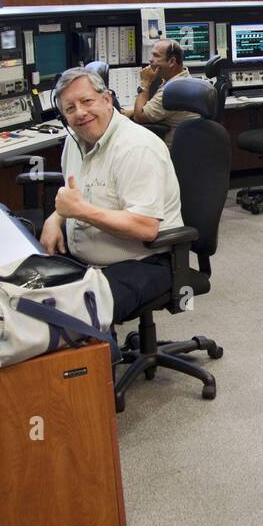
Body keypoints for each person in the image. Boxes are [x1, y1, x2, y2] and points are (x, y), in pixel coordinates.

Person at [42, 66, 184, 323]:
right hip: (88, 260)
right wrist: (56, 219)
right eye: (70, 108)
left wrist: (79, 212)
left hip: (143, 261)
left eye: (86, 101)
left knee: (72, 317)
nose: (80, 113)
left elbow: (145, 228)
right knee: (27, 289)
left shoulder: (136, 148)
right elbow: (78, 197)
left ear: (107, 99)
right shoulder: (75, 141)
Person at [122, 38, 199, 144]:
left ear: (172, 61)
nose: (150, 60)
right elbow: (159, 110)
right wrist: (131, 112)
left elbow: (139, 117)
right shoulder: (181, 79)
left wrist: (145, 83)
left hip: (170, 150)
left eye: (156, 56)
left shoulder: (174, 90)